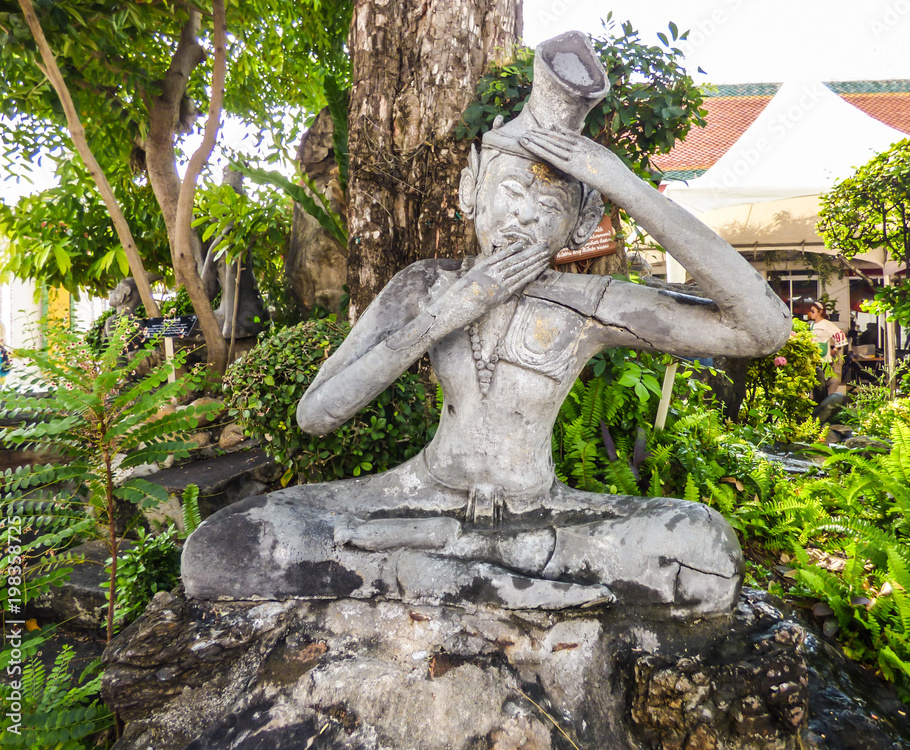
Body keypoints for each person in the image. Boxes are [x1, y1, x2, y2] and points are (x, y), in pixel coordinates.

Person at [182, 31, 791, 617]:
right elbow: (314, 416)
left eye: (550, 204)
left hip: (539, 513)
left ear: (580, 225)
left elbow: (762, 330)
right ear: (471, 189)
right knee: (224, 544)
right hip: (419, 496)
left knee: (704, 545)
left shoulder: (591, 302)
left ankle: (440, 569)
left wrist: (630, 189)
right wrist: (444, 317)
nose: (523, 216)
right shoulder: (425, 284)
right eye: (509, 191)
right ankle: (495, 575)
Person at [807, 300, 847, 395]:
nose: (811, 313)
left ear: (820, 312)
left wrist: (835, 349)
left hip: (824, 359)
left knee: (824, 382)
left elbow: (840, 335)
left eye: (813, 311)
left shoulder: (827, 324)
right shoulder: (812, 325)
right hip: (814, 358)